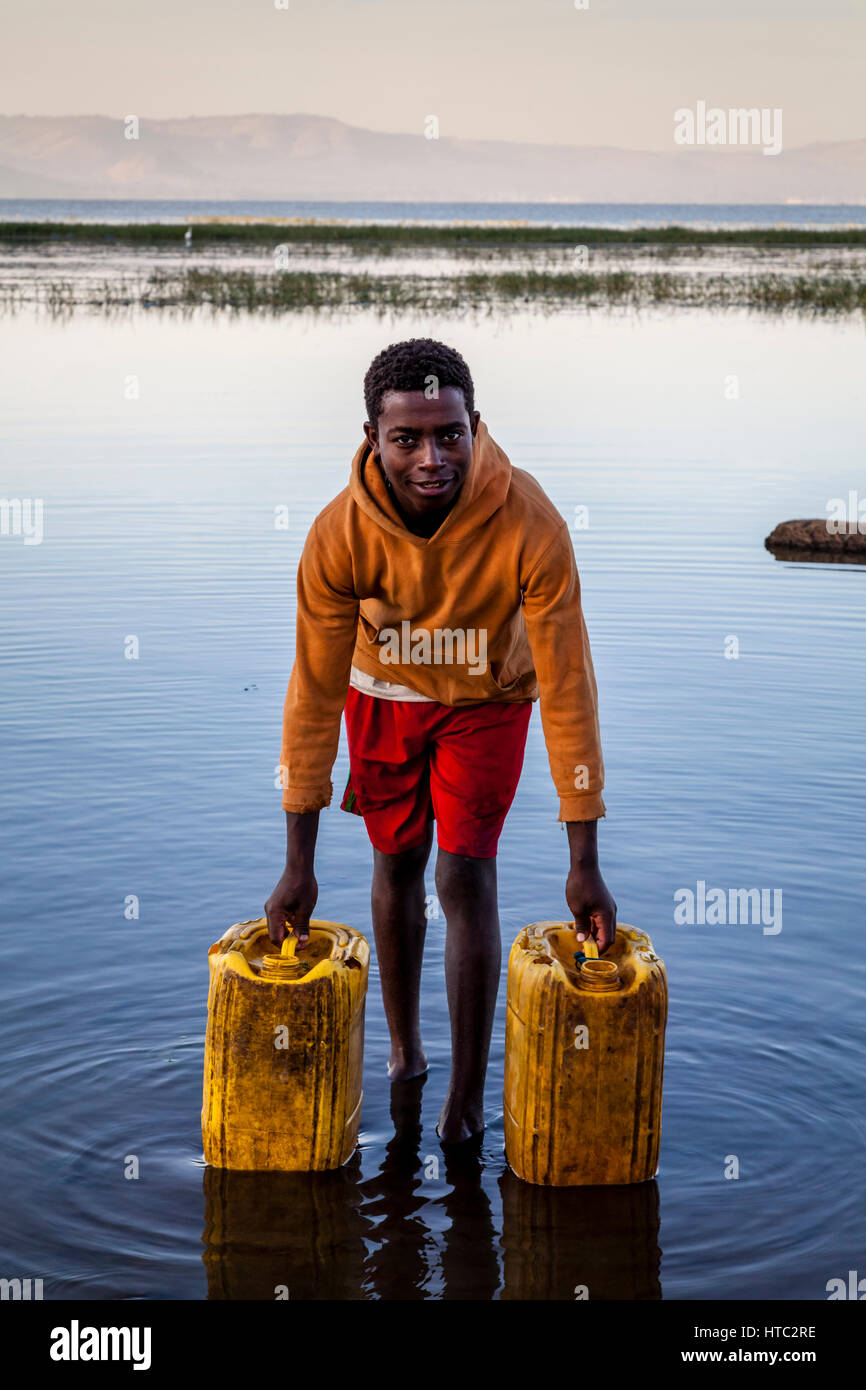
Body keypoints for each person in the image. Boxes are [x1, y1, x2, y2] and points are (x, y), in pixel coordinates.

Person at [265, 338, 615, 1144]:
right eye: (407, 439)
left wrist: (583, 860)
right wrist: (298, 862)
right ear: (372, 439)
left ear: (475, 426)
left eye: (449, 435)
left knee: (465, 874)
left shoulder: (532, 524)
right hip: (384, 691)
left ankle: (463, 1099)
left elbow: (568, 688)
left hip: (489, 697)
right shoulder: (337, 537)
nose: (432, 458)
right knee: (396, 860)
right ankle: (404, 1053)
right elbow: (313, 694)